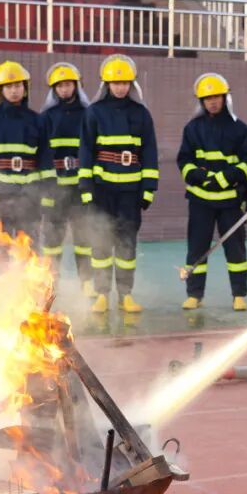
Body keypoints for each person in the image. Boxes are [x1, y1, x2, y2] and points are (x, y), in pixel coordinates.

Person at [78, 54, 159, 314]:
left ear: (131, 84)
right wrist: (87, 188)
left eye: (125, 82)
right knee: (101, 244)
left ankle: (125, 295)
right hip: (102, 191)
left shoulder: (141, 114)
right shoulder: (94, 112)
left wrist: (148, 189)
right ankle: (102, 294)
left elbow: (149, 153)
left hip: (130, 194)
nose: (121, 87)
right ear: (106, 85)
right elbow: (86, 151)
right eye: (116, 83)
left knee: (126, 246)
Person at [177, 73, 247, 311]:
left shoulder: (239, 129)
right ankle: (194, 295)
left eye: (217, 97)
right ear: (201, 101)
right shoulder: (192, 128)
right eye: (207, 98)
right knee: (197, 248)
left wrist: (223, 178)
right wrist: (203, 178)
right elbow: (184, 161)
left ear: (225, 98)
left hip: (230, 201)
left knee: (235, 249)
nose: (212, 102)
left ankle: (239, 295)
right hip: (200, 200)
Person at [0, 61, 53, 241]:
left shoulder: (38, 121)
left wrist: (47, 197)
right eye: (8, 86)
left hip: (30, 195)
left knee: (29, 246)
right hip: (0, 195)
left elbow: (45, 162)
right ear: (0, 90)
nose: (14, 90)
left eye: (17, 85)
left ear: (25, 88)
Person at [40, 62, 96, 298]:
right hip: (55, 187)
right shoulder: (46, 117)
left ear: (77, 86)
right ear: (54, 89)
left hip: (80, 185)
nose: (65, 89)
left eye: (69, 84)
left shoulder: (88, 114)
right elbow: (42, 154)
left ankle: (87, 282)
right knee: (53, 239)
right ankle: (52, 284)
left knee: (83, 237)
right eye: (60, 85)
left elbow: (93, 149)